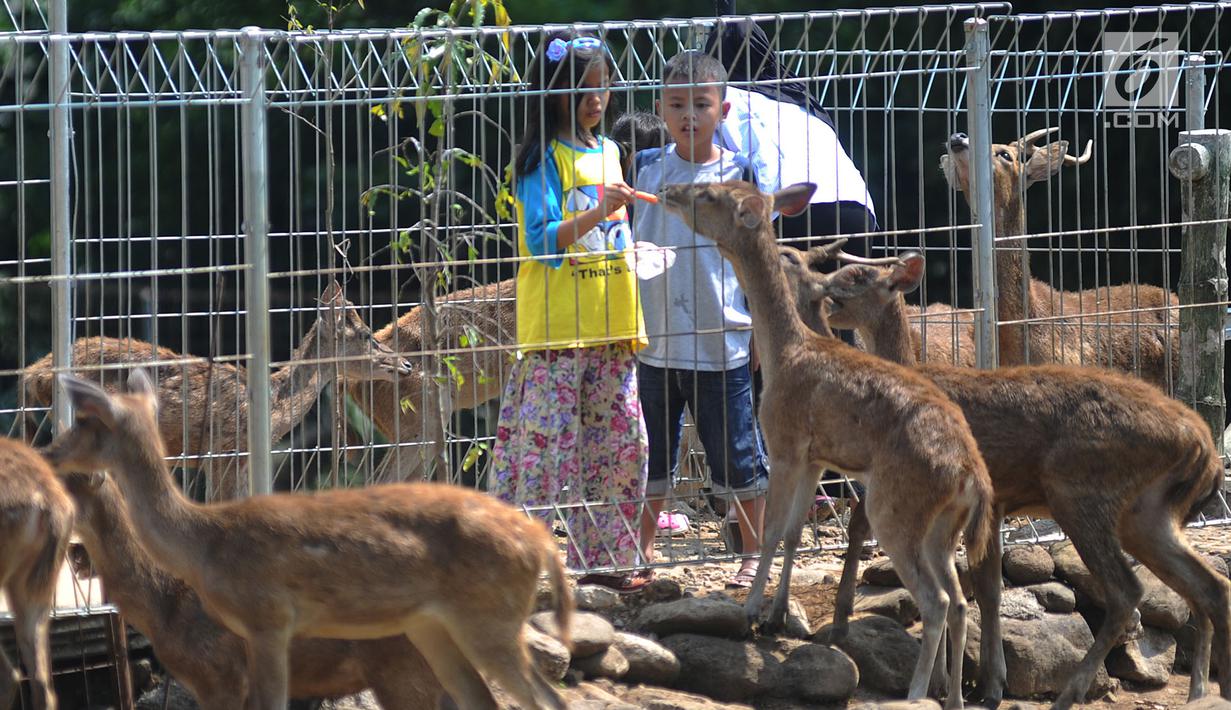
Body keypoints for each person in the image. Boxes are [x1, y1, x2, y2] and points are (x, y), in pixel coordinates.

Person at [490, 30, 651, 594]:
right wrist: (598, 213)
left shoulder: (610, 152)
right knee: (543, 453)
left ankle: (606, 559)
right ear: (554, 93)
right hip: (558, 331)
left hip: (613, 327)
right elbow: (540, 241)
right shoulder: (539, 161)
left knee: (621, 444)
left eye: (603, 88)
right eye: (583, 90)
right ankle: (511, 563)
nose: (596, 101)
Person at [707, 20, 878, 507]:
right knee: (836, 343)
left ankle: (785, 472)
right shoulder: (799, 97)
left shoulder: (730, 100)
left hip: (796, 207)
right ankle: (846, 472)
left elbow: (736, 180)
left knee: (778, 340)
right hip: (855, 208)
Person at [629, 50, 769, 589]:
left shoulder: (740, 175)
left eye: (701, 104)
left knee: (738, 455)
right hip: (653, 339)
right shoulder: (644, 168)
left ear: (724, 109)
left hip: (723, 338)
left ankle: (755, 554)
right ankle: (638, 552)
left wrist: (757, 323)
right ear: (660, 108)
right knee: (650, 456)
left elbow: (760, 257)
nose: (689, 114)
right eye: (677, 104)